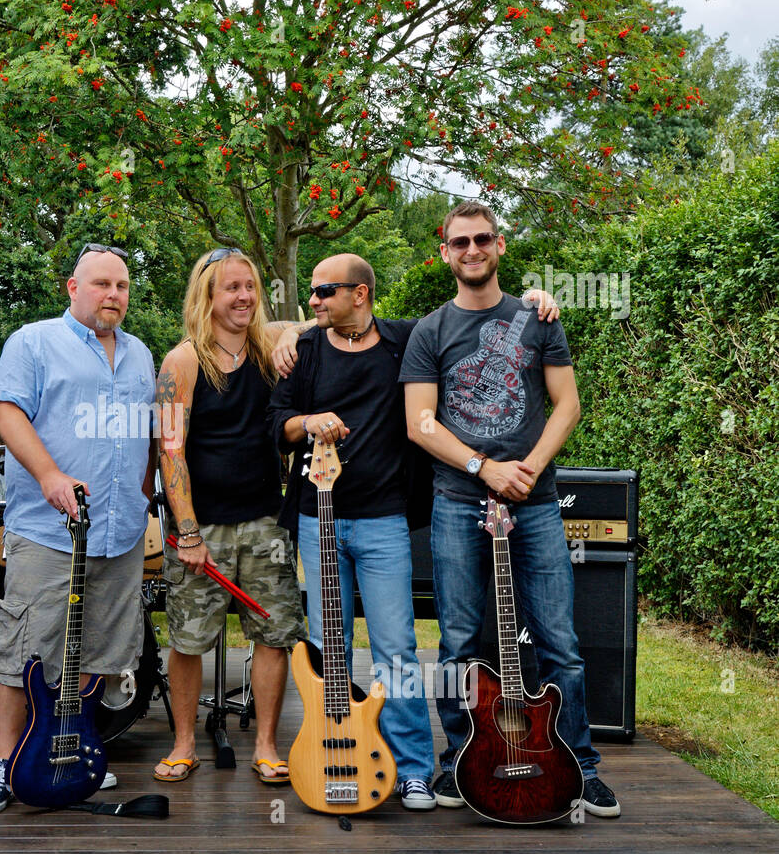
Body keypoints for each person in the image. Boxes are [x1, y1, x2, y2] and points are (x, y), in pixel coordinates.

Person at [267, 253, 561, 811]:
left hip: (384, 521)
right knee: (330, 645)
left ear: (361, 294)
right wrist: (305, 417)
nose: (314, 301)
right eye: (310, 292)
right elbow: (275, 420)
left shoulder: (406, 340)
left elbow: (473, 315)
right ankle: (334, 752)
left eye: (324, 291)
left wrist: (532, 301)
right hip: (317, 516)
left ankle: (413, 770)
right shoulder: (303, 351)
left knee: (396, 649)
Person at [399, 199, 620, 817]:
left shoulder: (537, 317)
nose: (472, 250)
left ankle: (582, 768)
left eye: (483, 240)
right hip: (457, 502)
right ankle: (460, 765)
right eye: (460, 242)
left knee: (560, 642)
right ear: (445, 252)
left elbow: (567, 405)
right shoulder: (429, 331)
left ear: (499, 247)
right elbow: (420, 424)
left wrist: (530, 468)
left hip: (538, 504)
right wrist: (483, 467)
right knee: (459, 642)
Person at [0, 244, 156, 815]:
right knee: (25, 650)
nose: (113, 296)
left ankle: (71, 754)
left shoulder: (141, 354)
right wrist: (49, 474)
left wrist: (148, 496)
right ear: (72, 287)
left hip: (119, 535)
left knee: (100, 653)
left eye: (121, 286)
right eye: (101, 284)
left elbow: (148, 432)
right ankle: (6, 766)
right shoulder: (33, 341)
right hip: (50, 533)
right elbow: (5, 411)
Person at [152, 248, 310, 785]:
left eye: (250, 286)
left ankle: (266, 745)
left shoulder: (269, 347)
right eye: (231, 288)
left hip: (266, 521)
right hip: (203, 529)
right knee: (189, 639)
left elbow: (324, 318)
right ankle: (183, 745)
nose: (244, 297)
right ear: (208, 296)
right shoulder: (183, 361)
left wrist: (291, 333)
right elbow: (170, 451)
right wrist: (188, 532)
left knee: (273, 634)